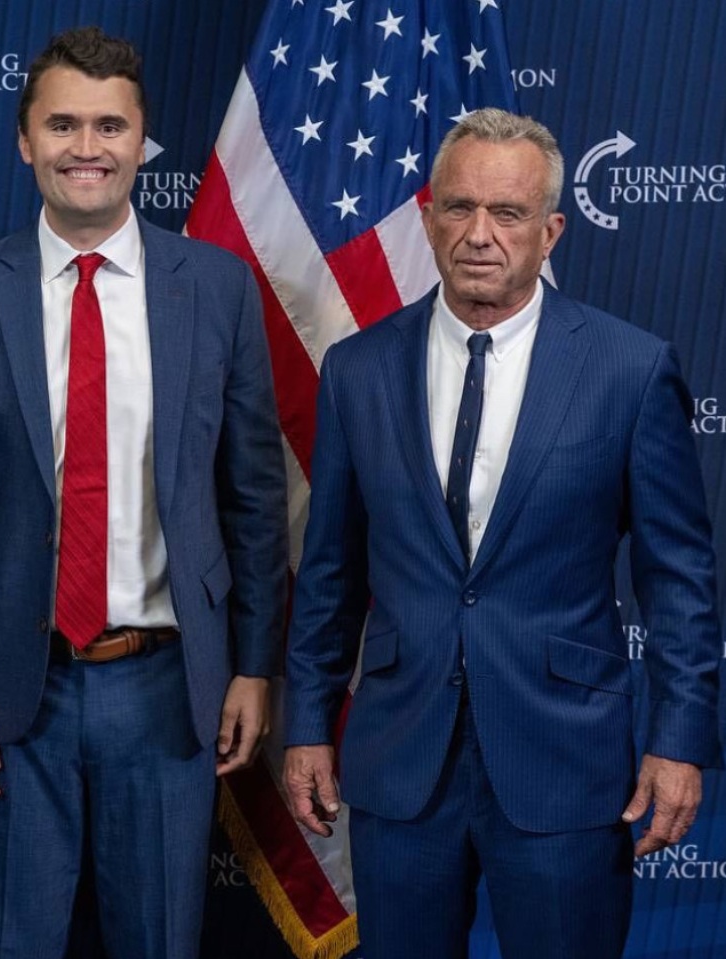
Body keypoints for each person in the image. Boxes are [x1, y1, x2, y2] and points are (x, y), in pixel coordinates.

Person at [283, 108, 721, 959]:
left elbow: (681, 583)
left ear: (551, 229)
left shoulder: (630, 369)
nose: (480, 234)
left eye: (508, 213)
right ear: (428, 216)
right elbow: (330, 570)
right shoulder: (359, 369)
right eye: (459, 208)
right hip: (400, 761)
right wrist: (305, 724)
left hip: (566, 762)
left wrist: (679, 741)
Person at [0, 26, 287, 959]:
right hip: (12, 687)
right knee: (13, 941)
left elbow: (251, 494)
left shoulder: (216, 287)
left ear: (141, 142)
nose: (87, 148)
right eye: (64, 125)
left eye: (110, 127)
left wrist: (253, 664)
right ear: (23, 139)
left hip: (168, 686)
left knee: (160, 942)